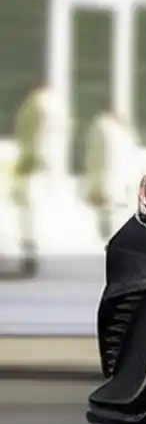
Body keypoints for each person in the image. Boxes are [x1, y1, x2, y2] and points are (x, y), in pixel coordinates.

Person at [12, 81, 67, 277]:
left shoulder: (37, 104)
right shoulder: (55, 105)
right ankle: (31, 253)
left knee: (30, 213)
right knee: (34, 212)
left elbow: (33, 136)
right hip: (44, 166)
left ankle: (30, 254)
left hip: (33, 165)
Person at [84, 109, 141, 241]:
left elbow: (94, 156)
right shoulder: (120, 131)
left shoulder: (104, 128)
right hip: (116, 178)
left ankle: (109, 236)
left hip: (110, 177)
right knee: (112, 208)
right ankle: (111, 236)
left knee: (109, 208)